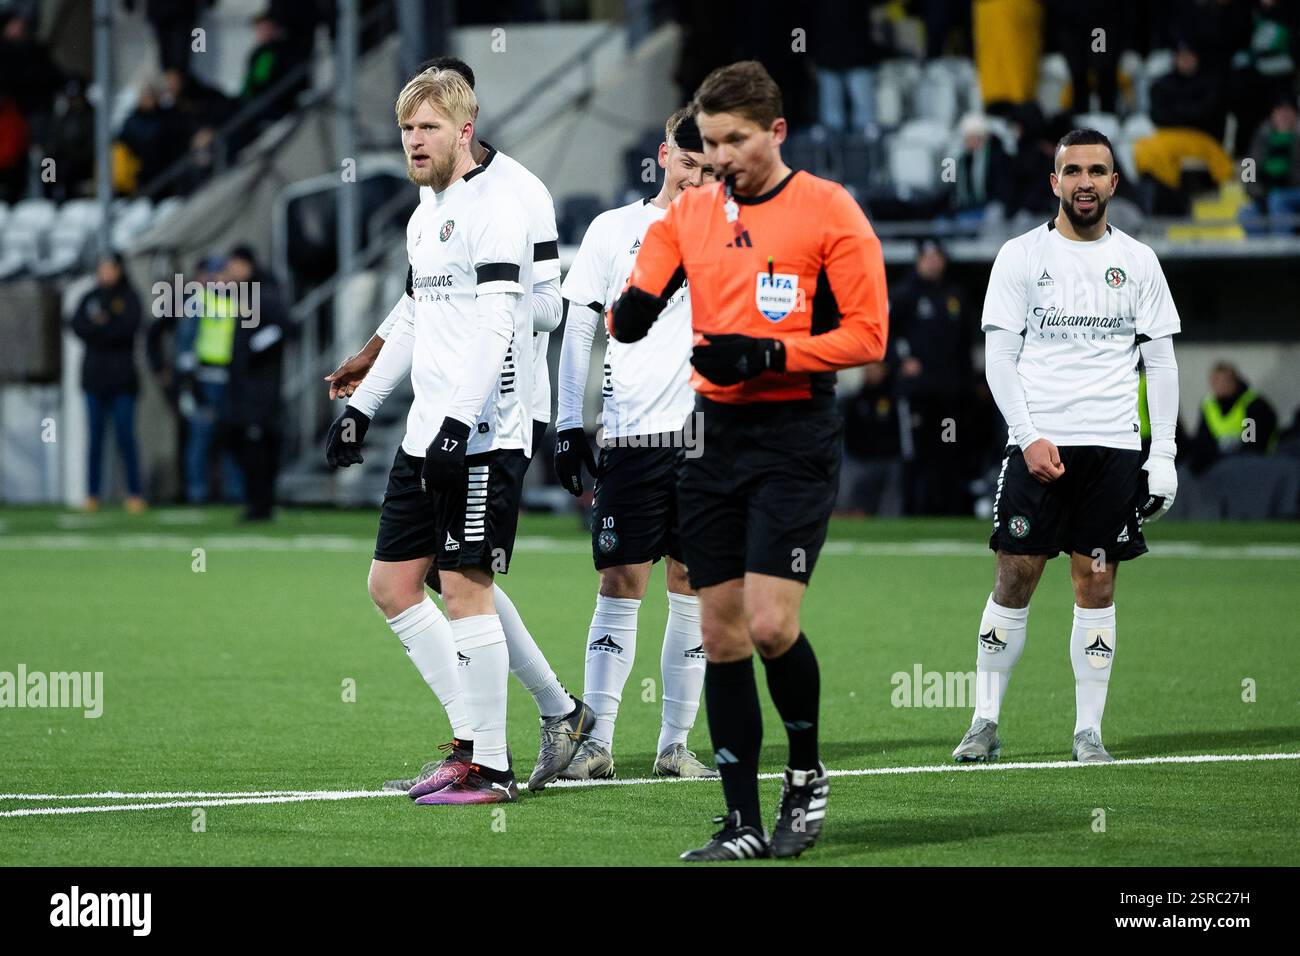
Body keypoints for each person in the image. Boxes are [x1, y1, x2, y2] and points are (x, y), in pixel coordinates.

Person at [610, 61, 889, 860]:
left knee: (770, 626)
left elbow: (867, 336)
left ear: (776, 132)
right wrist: (628, 311)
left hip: (795, 437)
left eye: (735, 140)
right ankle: (740, 824)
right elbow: (635, 309)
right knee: (722, 635)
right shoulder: (688, 216)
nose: (722, 156)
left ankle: (805, 775)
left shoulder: (829, 210)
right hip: (712, 439)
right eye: (708, 143)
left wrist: (770, 353)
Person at [322, 56, 588, 798]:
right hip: (429, 428)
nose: (413, 140)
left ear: (464, 124)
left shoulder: (510, 201)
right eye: (406, 127)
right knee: (393, 584)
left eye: (427, 126)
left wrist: (459, 422)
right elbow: (416, 315)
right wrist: (363, 407)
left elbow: (526, 311)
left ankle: (489, 762)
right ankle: (487, 735)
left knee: (464, 583)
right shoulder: (423, 215)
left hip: (487, 426)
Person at [952, 129, 1182, 769]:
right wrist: (1028, 437)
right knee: (1015, 578)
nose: (1085, 181)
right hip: (1039, 443)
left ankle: (1088, 733)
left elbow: (1160, 363)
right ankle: (985, 721)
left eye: (1098, 170)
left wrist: (1160, 454)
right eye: (1072, 170)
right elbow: (998, 360)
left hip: (1113, 450)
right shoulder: (1020, 257)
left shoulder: (1139, 261)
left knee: (1097, 585)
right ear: (1054, 182)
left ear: (1114, 182)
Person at [553, 106, 719, 781]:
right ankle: (596, 742)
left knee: (693, 585)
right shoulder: (613, 231)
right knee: (621, 581)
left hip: (708, 438)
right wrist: (568, 424)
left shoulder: (734, 236)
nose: (695, 179)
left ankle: (675, 744)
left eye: (710, 171)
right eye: (687, 164)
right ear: (663, 157)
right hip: (630, 435)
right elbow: (580, 329)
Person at [890, 237, 974, 515]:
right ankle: (912, 512)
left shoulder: (955, 296)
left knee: (947, 451)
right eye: (928, 257)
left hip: (948, 395)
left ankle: (946, 511)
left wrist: (970, 384)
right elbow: (884, 335)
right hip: (917, 394)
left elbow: (965, 346)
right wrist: (900, 361)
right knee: (915, 455)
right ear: (918, 261)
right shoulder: (904, 294)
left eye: (938, 257)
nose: (934, 262)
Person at [70, 255, 146, 513]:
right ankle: (92, 494)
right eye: (101, 269)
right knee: (96, 440)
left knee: (126, 437)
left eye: (110, 269)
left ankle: (134, 493)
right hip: (94, 379)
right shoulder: (90, 297)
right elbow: (77, 325)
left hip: (122, 380)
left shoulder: (129, 297)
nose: (105, 274)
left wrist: (101, 328)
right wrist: (102, 328)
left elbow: (127, 329)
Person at [220, 246, 286, 521]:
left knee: (257, 445)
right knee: (241, 442)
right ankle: (259, 502)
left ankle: (262, 504)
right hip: (243, 385)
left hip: (260, 386)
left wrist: (253, 349)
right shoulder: (245, 294)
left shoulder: (264, 294)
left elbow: (283, 328)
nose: (229, 271)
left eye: (233, 265)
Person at [1187, 361, 1278, 475]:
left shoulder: (1252, 404)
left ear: (1235, 382)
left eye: (1225, 381)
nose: (1221, 386)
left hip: (1253, 468)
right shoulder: (1208, 406)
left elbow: (1253, 445)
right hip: (1222, 466)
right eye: (1216, 382)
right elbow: (1203, 441)